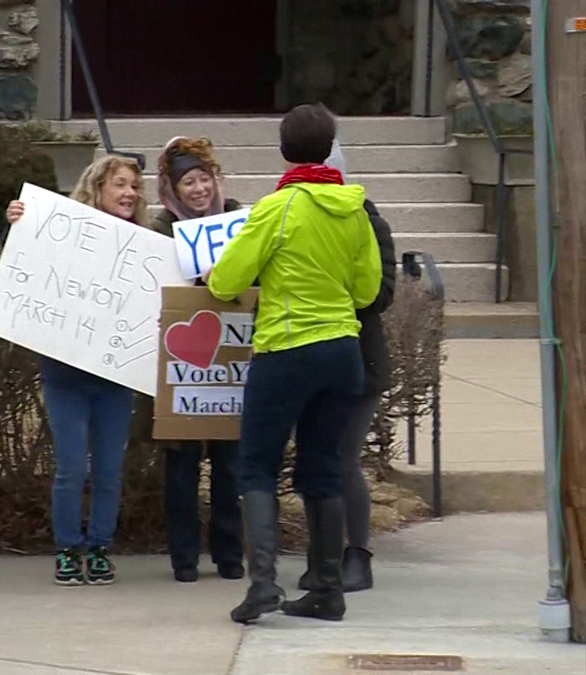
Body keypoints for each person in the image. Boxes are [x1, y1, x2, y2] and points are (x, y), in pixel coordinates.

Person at [208, 104, 382, 623]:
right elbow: (367, 291)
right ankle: (327, 589)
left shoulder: (277, 208)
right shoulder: (355, 210)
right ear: (330, 150)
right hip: (343, 351)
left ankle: (263, 585)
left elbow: (225, 280)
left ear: (284, 152)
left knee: (256, 465)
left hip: (286, 348)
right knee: (323, 468)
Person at [4, 156, 147, 587]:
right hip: (65, 374)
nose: (129, 193)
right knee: (70, 468)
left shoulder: (145, 245)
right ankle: (67, 550)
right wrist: (18, 225)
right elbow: (26, 270)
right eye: (120, 184)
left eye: (135, 186)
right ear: (97, 188)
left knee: (108, 470)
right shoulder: (61, 232)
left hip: (114, 378)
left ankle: (99, 549)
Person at [296, 141, 398, 593]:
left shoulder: (368, 221)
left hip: (358, 361)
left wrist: (329, 284)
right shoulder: (293, 216)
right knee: (314, 461)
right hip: (308, 355)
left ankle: (357, 554)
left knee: (342, 459)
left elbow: (381, 292)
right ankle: (322, 555)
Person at [150, 138, 245, 583]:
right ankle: (184, 558)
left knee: (231, 465)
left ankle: (230, 554)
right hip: (180, 362)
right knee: (181, 467)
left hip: (232, 359)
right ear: (172, 190)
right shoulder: (160, 230)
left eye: (204, 179)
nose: (199, 189)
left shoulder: (239, 221)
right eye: (188, 182)